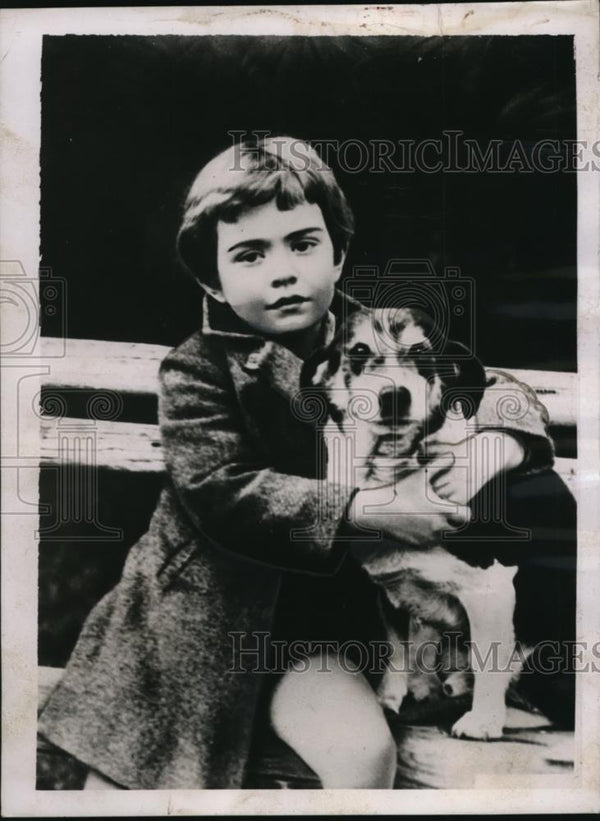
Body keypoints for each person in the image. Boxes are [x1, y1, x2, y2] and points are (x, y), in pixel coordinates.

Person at [38, 136, 560, 790]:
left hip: (310, 634)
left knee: (365, 755)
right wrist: (370, 509)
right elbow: (224, 491)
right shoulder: (197, 370)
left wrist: (497, 444)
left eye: (303, 244)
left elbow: (496, 386)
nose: (282, 271)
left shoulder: (377, 337)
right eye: (250, 253)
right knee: (137, 779)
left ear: (338, 255)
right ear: (211, 277)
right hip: (194, 630)